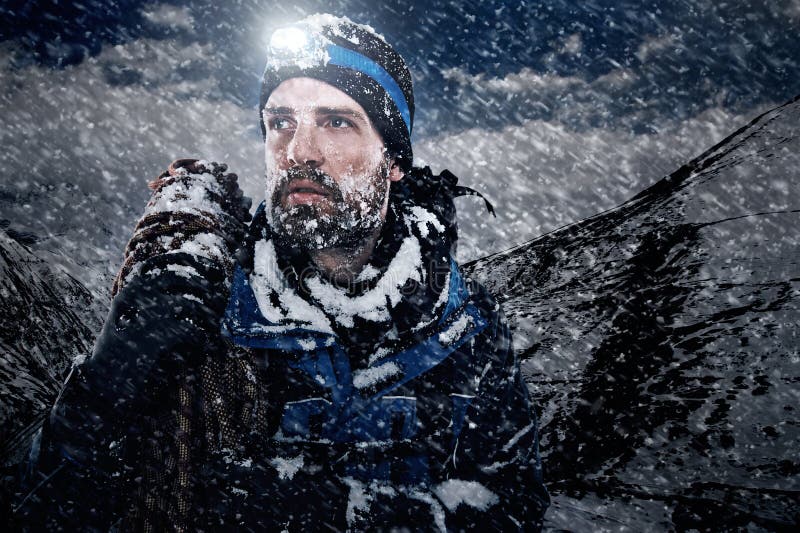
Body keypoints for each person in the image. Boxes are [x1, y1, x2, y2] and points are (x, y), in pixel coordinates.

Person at [15, 14, 549, 531]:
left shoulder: (469, 333)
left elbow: (514, 509)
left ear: (393, 160)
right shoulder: (208, 308)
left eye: (336, 122)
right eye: (281, 122)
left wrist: (330, 512)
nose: (299, 151)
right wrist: (106, 386)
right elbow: (29, 508)